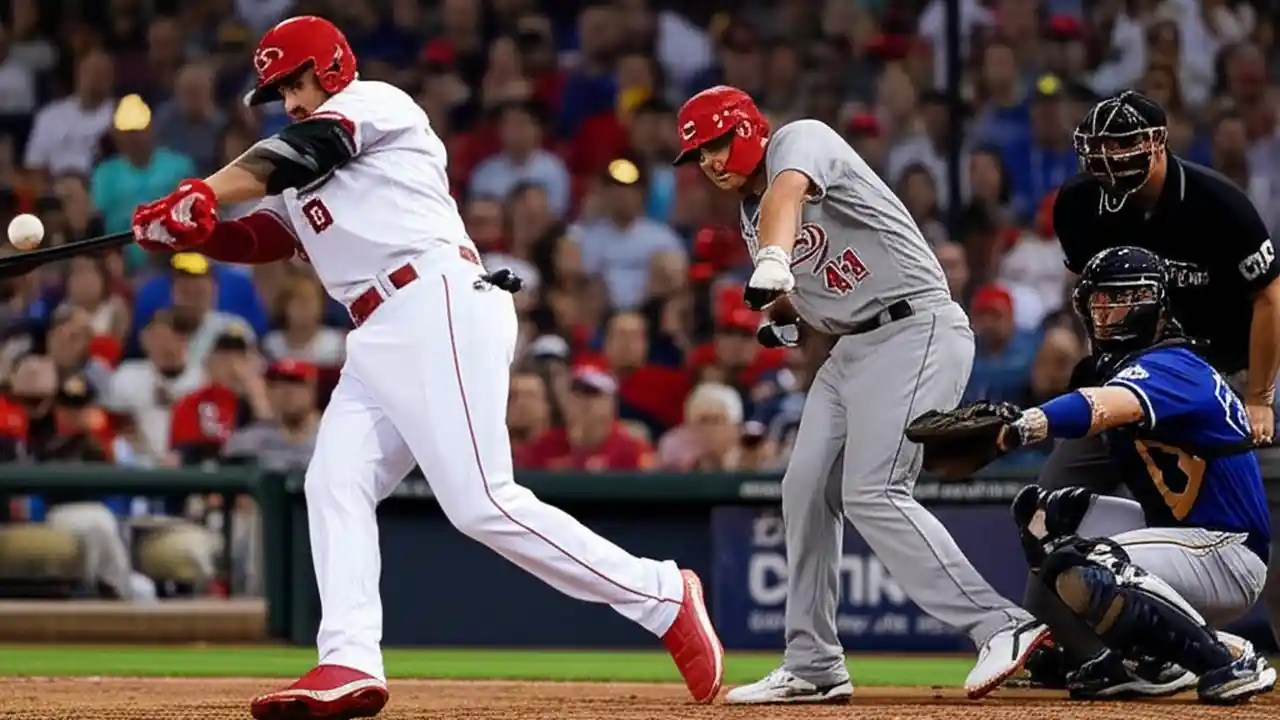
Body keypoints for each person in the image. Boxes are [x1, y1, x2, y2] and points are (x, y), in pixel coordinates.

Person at [127, 17, 722, 719]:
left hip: (433, 298)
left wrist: (201, 190)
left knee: (481, 502)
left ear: (333, 67)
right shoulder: (293, 170)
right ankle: (348, 658)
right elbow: (267, 234)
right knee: (333, 482)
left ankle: (661, 593)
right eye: (279, 88)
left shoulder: (375, 104)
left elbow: (304, 148)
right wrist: (196, 231)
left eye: (295, 81)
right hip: (377, 329)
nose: (289, 98)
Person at [672, 84, 1042, 704]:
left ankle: (1002, 624)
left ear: (750, 129)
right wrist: (783, 312)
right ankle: (813, 662)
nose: (709, 162)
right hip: (852, 348)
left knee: (873, 492)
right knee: (804, 488)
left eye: (717, 143)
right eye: (698, 156)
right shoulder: (747, 213)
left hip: (916, 325)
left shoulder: (800, 139)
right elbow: (804, 274)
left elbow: (790, 195)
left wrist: (770, 258)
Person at [1025, 89, 1280, 688]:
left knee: (1263, 501)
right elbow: (1093, 302)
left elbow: (1269, 297)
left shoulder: (1218, 203)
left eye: (1124, 144)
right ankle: (1096, 653)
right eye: (1100, 146)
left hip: (1228, 371)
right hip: (1129, 378)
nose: (1109, 158)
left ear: (1159, 142)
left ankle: (1228, 649)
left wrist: (1261, 396)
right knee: (1046, 503)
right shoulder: (1079, 205)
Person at [986, 246, 1275, 703]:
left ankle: (1225, 659)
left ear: (1150, 301)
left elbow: (1103, 406)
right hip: (1182, 537)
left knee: (1084, 561)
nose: (1103, 314)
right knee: (1042, 513)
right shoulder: (1133, 364)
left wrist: (1024, 424)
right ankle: (1143, 659)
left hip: (1226, 551)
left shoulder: (1174, 365)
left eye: (1116, 300)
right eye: (1097, 301)